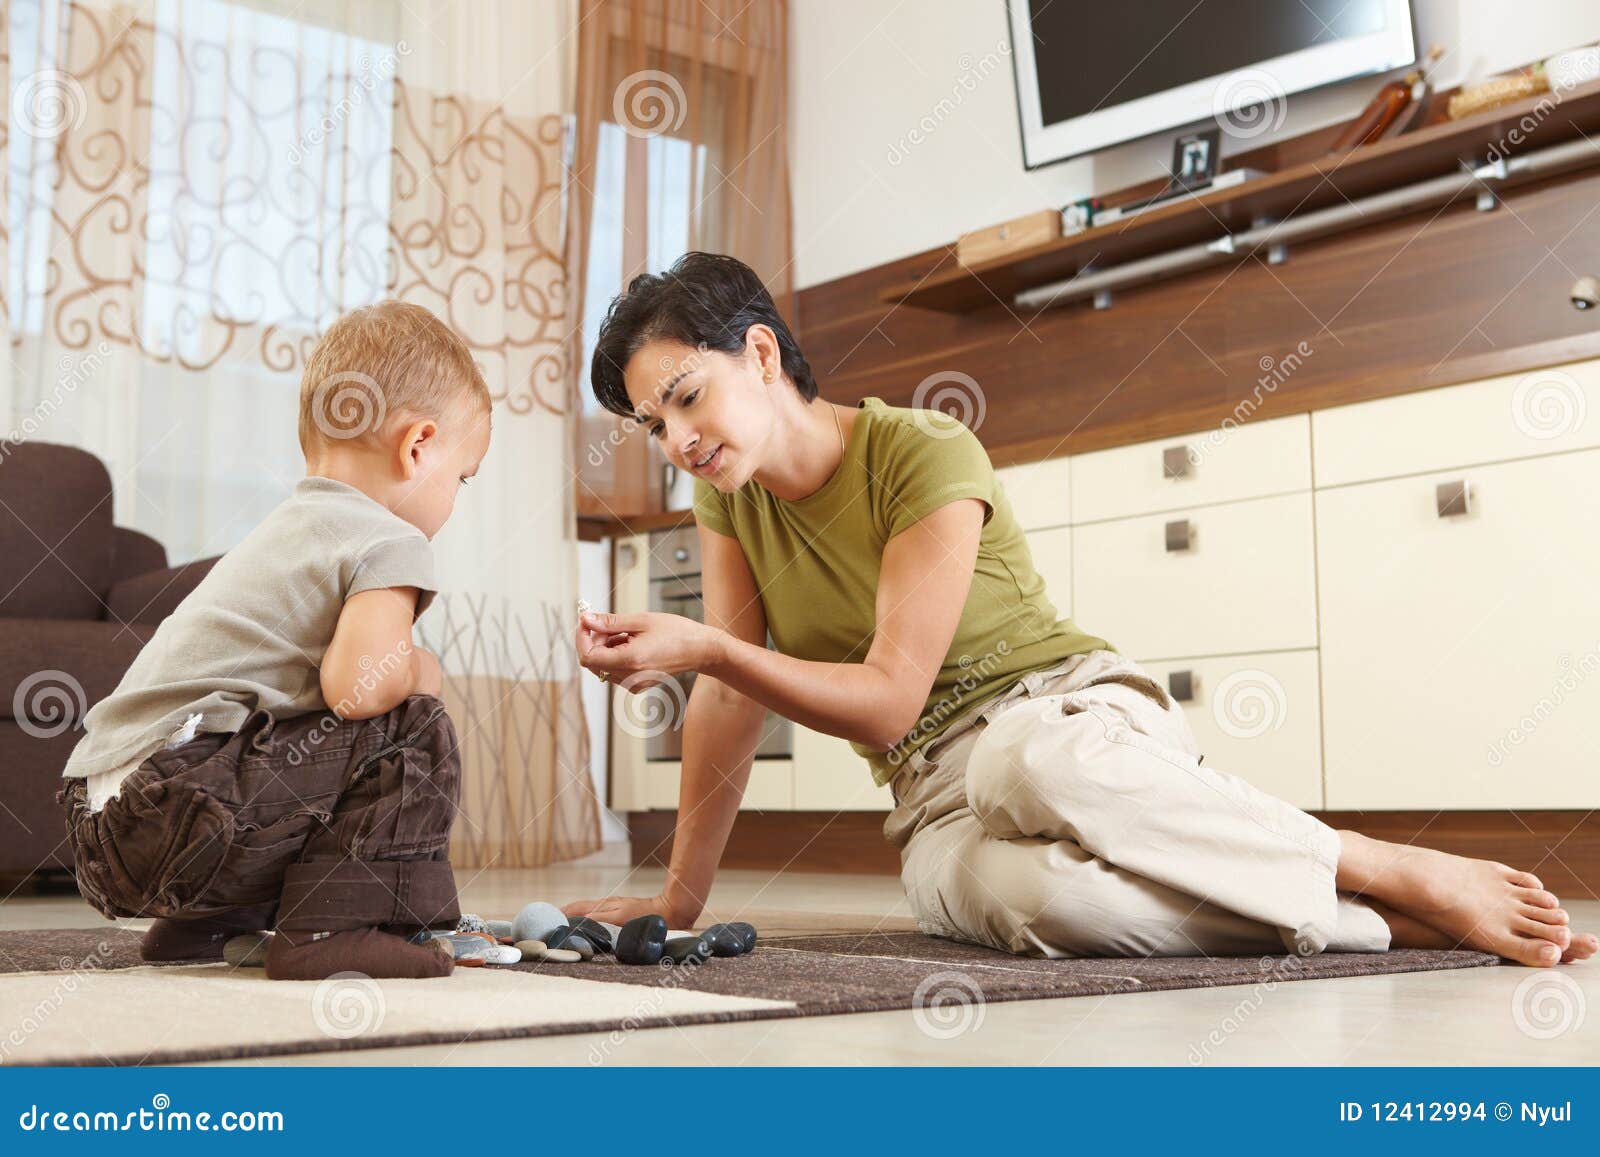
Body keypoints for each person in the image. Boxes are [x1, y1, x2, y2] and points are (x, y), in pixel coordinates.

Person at [567, 251, 1597, 969]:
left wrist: (705, 645)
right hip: (935, 801)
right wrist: (677, 903)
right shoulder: (726, 497)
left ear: (757, 353)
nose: (675, 439)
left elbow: (884, 698)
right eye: (652, 422)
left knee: (1029, 763)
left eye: (686, 396)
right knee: (1051, 902)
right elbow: (729, 701)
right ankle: (1388, 924)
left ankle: (1387, 863)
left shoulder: (920, 450)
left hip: (1064, 717)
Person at [58, 300, 492, 981]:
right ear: (417, 447)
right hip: (184, 803)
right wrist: (420, 667)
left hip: (98, 827)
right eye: (462, 477)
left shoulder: (287, 530)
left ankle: (202, 924)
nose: (455, 498)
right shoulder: (388, 537)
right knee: (415, 726)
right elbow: (358, 689)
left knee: (296, 730)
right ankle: (329, 927)